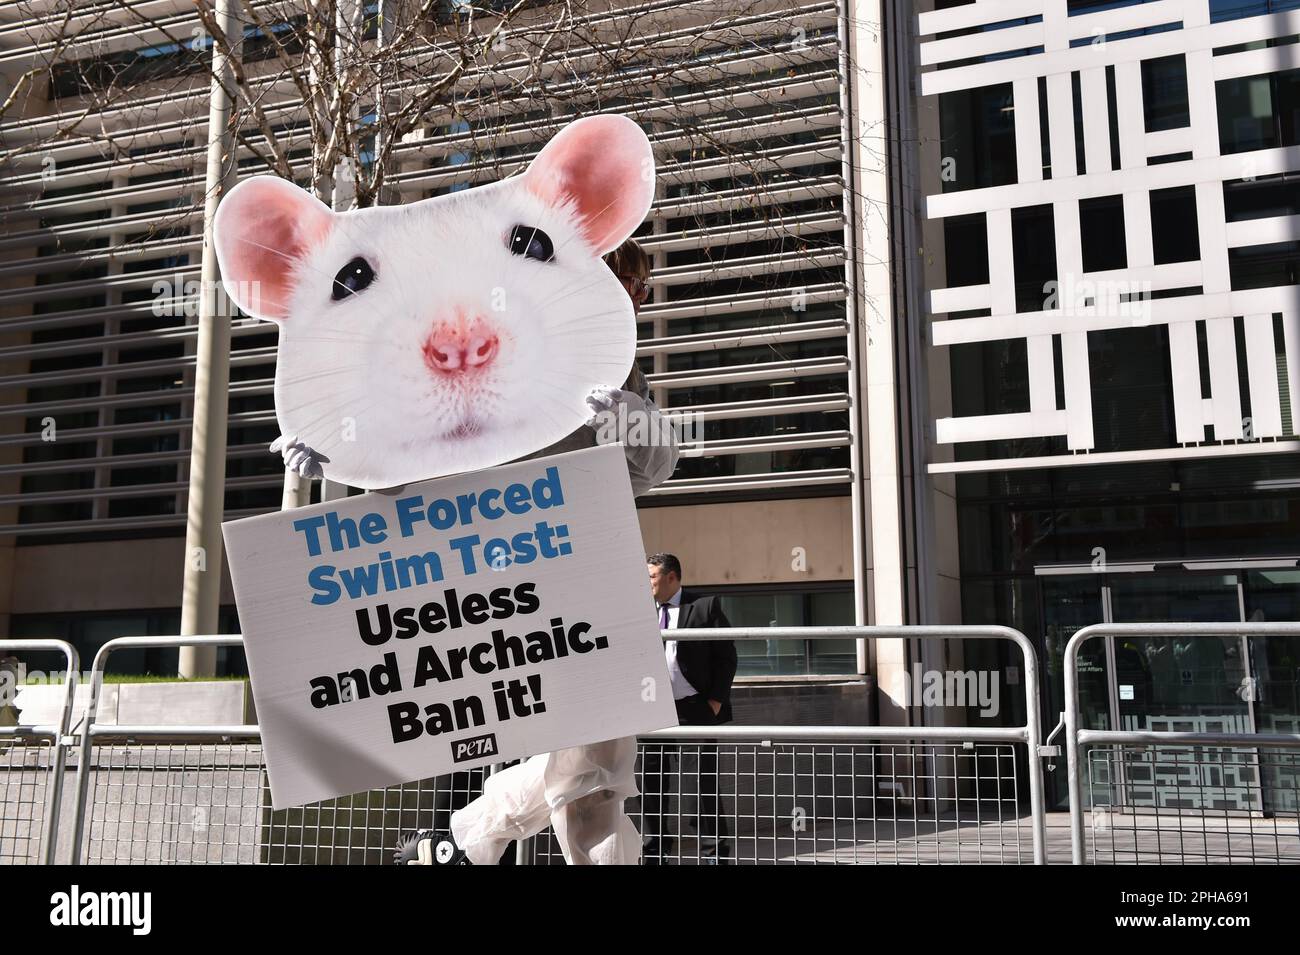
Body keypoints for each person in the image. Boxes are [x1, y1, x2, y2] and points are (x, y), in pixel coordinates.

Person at [396, 237, 679, 865]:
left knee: (591, 763)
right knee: (593, 775)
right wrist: (336, 465)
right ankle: (468, 836)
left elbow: (652, 467)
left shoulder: (621, 364)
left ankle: (466, 837)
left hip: (596, 583)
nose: (635, 296)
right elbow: (433, 449)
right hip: (527, 581)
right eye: (625, 282)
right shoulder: (513, 350)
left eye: (638, 286)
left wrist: (628, 414)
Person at [641, 552, 737, 864]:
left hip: (696, 707)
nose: (647, 583)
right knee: (652, 782)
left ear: (671, 577)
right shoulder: (641, 609)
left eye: (652, 577)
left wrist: (715, 701)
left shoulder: (705, 606)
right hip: (653, 707)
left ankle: (714, 853)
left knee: (704, 782)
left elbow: (726, 656)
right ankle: (655, 849)